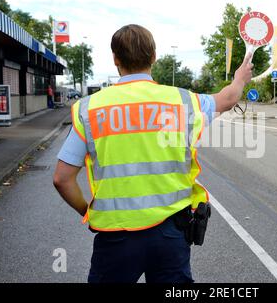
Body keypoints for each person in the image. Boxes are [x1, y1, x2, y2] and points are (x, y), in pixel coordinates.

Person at [53, 24, 253, 283]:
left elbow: (62, 178)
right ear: (154, 57)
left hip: (115, 236)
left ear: (115, 59)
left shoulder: (88, 108)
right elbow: (227, 99)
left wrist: (87, 212)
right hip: (171, 234)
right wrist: (240, 78)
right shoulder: (183, 101)